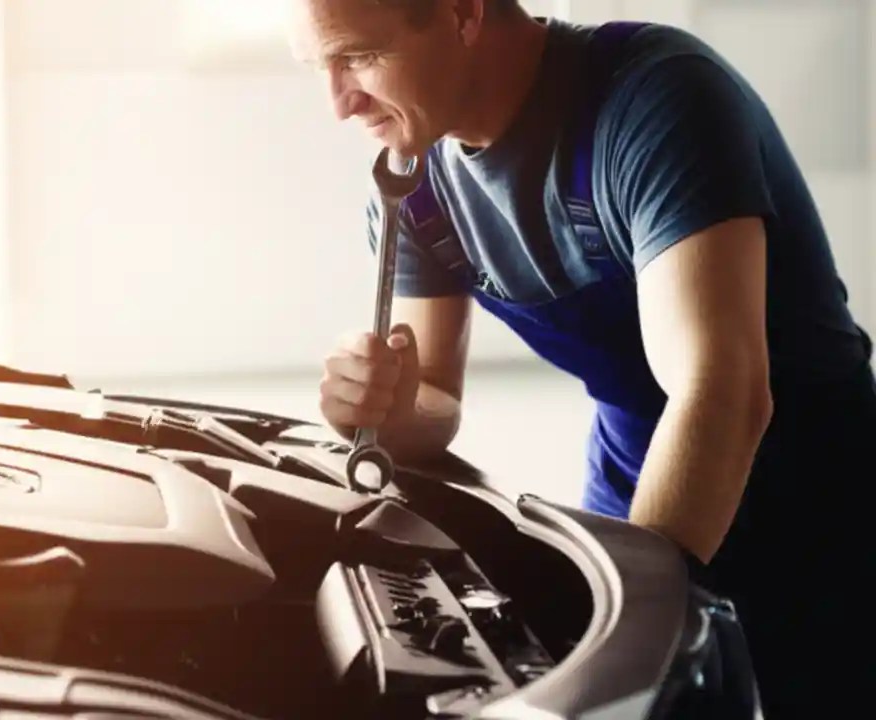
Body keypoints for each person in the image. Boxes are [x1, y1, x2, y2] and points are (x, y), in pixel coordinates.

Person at [290, 0, 874, 717]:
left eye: (358, 57)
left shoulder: (658, 99)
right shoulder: (415, 185)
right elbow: (435, 398)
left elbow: (722, 392)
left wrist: (627, 625)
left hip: (816, 507)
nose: (340, 104)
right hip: (634, 482)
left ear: (463, 13)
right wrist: (383, 405)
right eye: (323, 66)